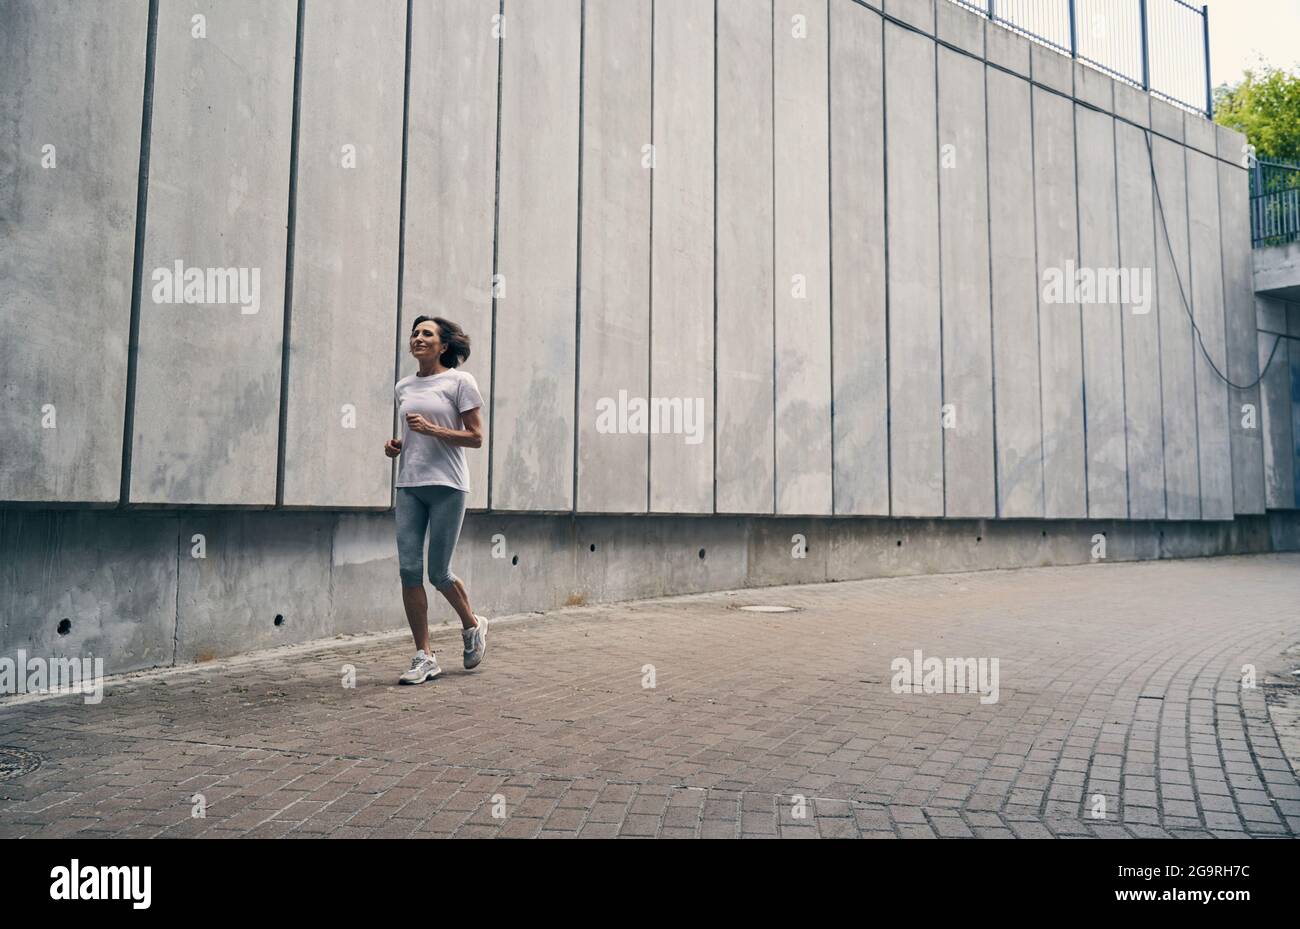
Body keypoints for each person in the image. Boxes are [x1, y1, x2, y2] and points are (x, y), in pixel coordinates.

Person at [384, 315, 487, 684]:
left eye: (427, 333)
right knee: (409, 571)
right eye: (415, 333)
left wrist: (432, 430)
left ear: (443, 346)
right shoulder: (403, 386)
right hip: (410, 485)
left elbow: (475, 438)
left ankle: (472, 625)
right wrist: (397, 446)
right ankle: (424, 656)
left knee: (438, 572)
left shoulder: (460, 381)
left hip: (448, 485)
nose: (418, 338)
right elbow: (410, 437)